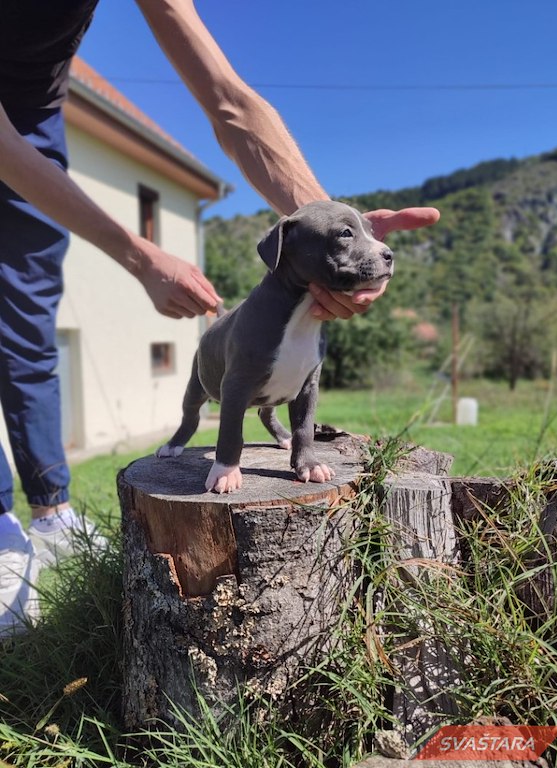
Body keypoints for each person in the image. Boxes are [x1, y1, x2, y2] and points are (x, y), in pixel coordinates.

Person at [0, 0, 440, 636]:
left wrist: (331, 228)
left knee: (28, 336)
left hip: (36, 115)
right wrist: (139, 253)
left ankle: (52, 513)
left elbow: (231, 103)